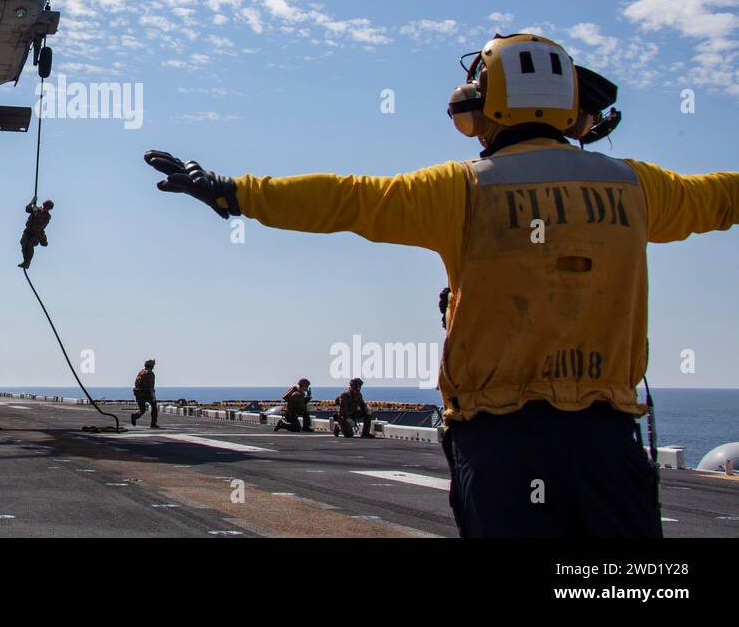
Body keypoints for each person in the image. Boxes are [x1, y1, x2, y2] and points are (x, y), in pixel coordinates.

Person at [145, 32, 738, 537]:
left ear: (492, 105)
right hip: (609, 446)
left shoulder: (463, 187)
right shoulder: (637, 187)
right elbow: (723, 196)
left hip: (502, 444)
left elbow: (346, 198)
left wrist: (231, 189)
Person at [18, 199, 54, 269]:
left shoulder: (47, 216)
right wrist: (32, 202)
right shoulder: (37, 209)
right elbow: (27, 209)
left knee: (30, 244)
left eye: (48, 208)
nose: (47, 209)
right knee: (23, 243)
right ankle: (25, 261)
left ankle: (27, 262)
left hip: (37, 234)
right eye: (46, 207)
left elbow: (40, 222)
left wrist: (35, 211)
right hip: (28, 231)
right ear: (44, 205)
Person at [130, 359, 158, 428]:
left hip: (138, 393)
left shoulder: (141, 372)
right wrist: (152, 395)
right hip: (147, 393)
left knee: (142, 410)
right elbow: (151, 386)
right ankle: (153, 424)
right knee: (154, 407)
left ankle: (135, 416)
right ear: (151, 366)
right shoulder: (150, 373)